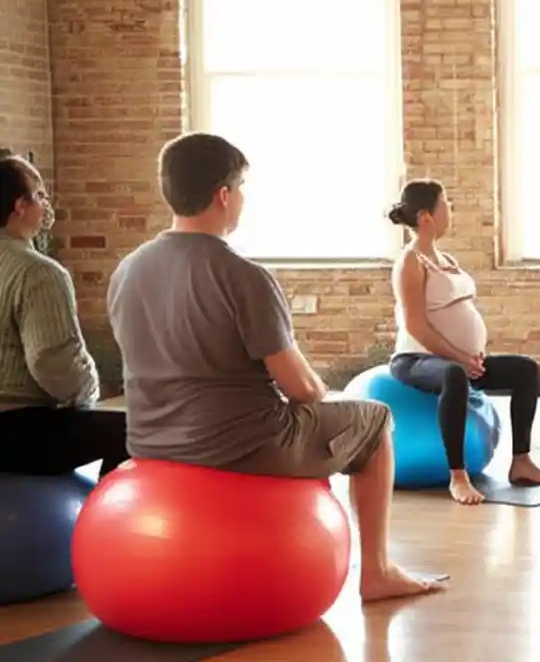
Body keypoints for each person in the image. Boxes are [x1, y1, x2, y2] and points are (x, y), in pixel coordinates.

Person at [107, 132, 437, 602]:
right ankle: (378, 572)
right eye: (240, 188)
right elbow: (301, 388)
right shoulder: (244, 276)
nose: (242, 199)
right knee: (374, 420)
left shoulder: (128, 270)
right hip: (241, 446)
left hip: (150, 442)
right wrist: (323, 396)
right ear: (224, 195)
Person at [387, 179, 540, 505]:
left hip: (459, 359)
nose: (450, 209)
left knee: (525, 370)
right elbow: (416, 325)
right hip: (415, 360)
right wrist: (460, 358)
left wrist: (470, 356)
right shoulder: (409, 262)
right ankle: (458, 475)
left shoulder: (445, 258)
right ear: (426, 216)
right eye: (446, 203)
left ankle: (521, 462)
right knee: (454, 375)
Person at [0, 154, 127, 478]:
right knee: (132, 428)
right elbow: (52, 362)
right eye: (40, 195)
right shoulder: (39, 273)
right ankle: (103, 526)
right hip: (17, 431)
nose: (45, 205)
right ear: (19, 206)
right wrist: (88, 390)